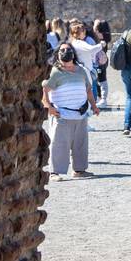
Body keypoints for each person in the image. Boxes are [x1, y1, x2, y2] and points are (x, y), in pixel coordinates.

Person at [42, 42, 99, 180]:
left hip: (80, 114)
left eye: (68, 49)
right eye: (62, 50)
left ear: (73, 53)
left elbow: (88, 89)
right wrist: (48, 107)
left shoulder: (81, 70)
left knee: (80, 144)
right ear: (58, 54)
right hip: (62, 114)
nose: (65, 52)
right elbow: (44, 90)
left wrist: (94, 105)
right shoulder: (55, 72)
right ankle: (54, 172)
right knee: (59, 145)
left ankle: (79, 170)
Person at [93, 19, 111, 108]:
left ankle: (102, 99)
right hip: (103, 60)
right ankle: (102, 99)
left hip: (99, 61)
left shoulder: (98, 35)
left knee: (100, 80)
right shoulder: (106, 36)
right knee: (102, 80)